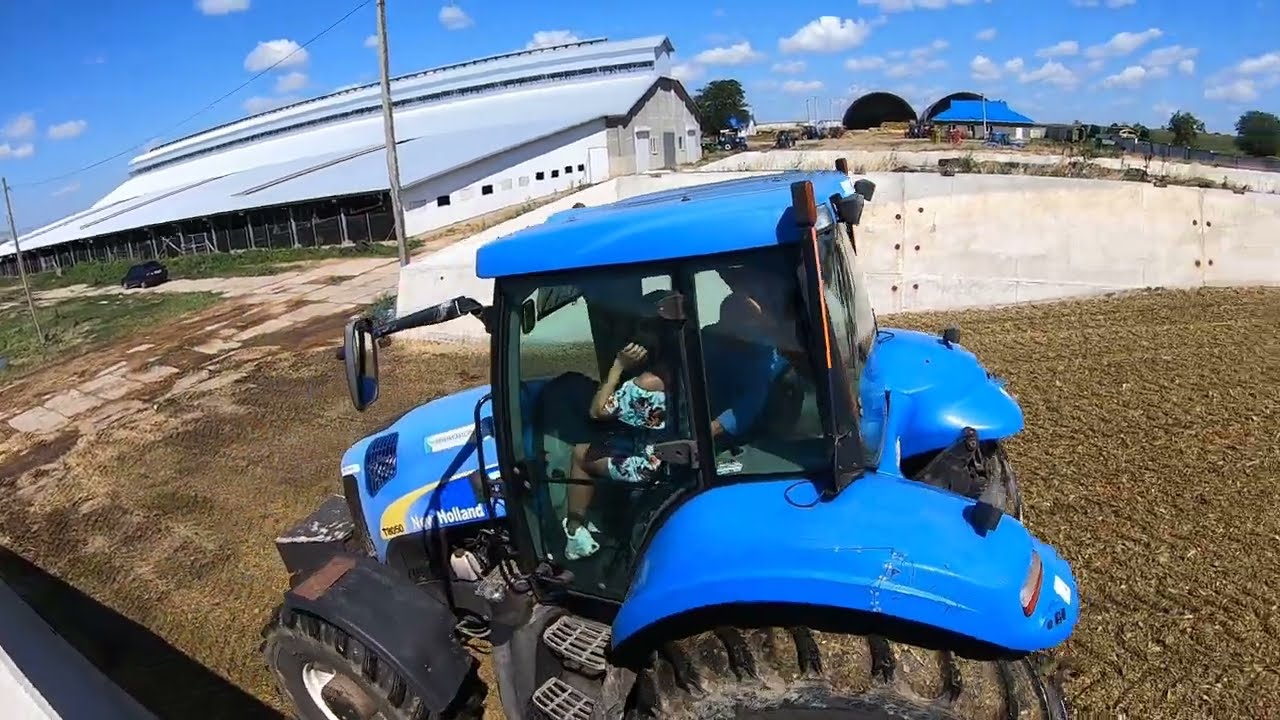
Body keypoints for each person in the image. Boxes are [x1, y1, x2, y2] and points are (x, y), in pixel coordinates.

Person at [562, 318, 670, 561]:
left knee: (581, 454)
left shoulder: (645, 385)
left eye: (642, 330)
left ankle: (575, 533)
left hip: (651, 463)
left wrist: (618, 366)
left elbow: (597, 411)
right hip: (672, 451)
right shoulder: (687, 367)